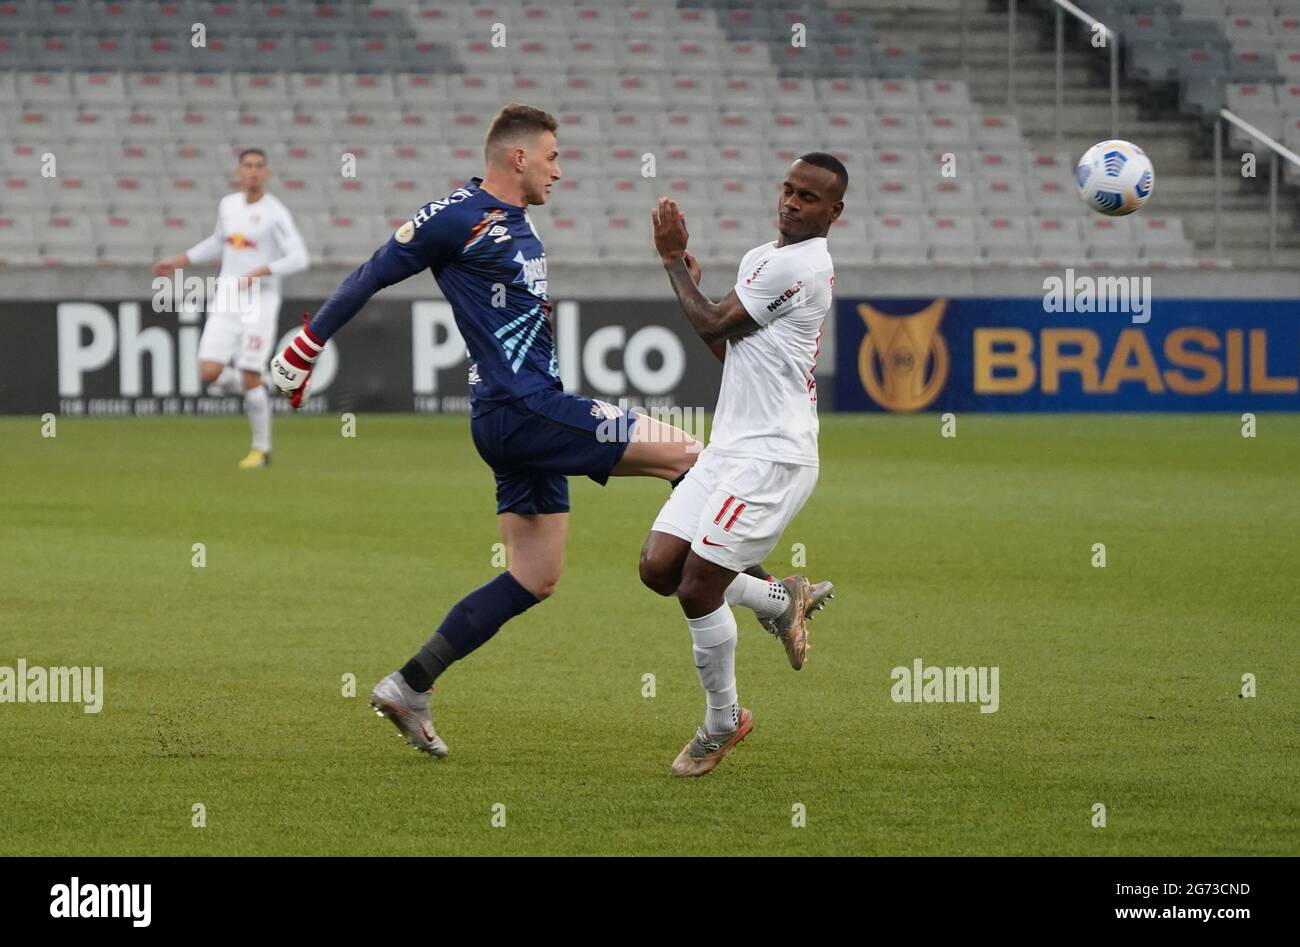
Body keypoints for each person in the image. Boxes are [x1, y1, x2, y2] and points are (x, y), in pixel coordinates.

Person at [642, 153, 846, 776]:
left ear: (834, 213)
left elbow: (708, 318)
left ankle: (723, 721)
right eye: (787, 188)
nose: (791, 202)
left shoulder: (801, 267)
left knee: (698, 586)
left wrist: (675, 262)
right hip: (731, 447)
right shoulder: (763, 257)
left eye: (808, 197)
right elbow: (722, 341)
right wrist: (692, 284)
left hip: (773, 455)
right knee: (659, 568)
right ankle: (778, 599)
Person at [153, 147, 309, 468]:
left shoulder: (275, 212)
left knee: (249, 371)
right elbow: (217, 242)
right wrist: (178, 261)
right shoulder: (228, 206)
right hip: (227, 298)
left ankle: (261, 449)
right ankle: (263, 386)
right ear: (238, 172)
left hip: (260, 301)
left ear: (267, 173)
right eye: (247, 166)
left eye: (258, 166)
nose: (252, 171)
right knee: (209, 372)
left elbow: (299, 258)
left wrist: (261, 271)